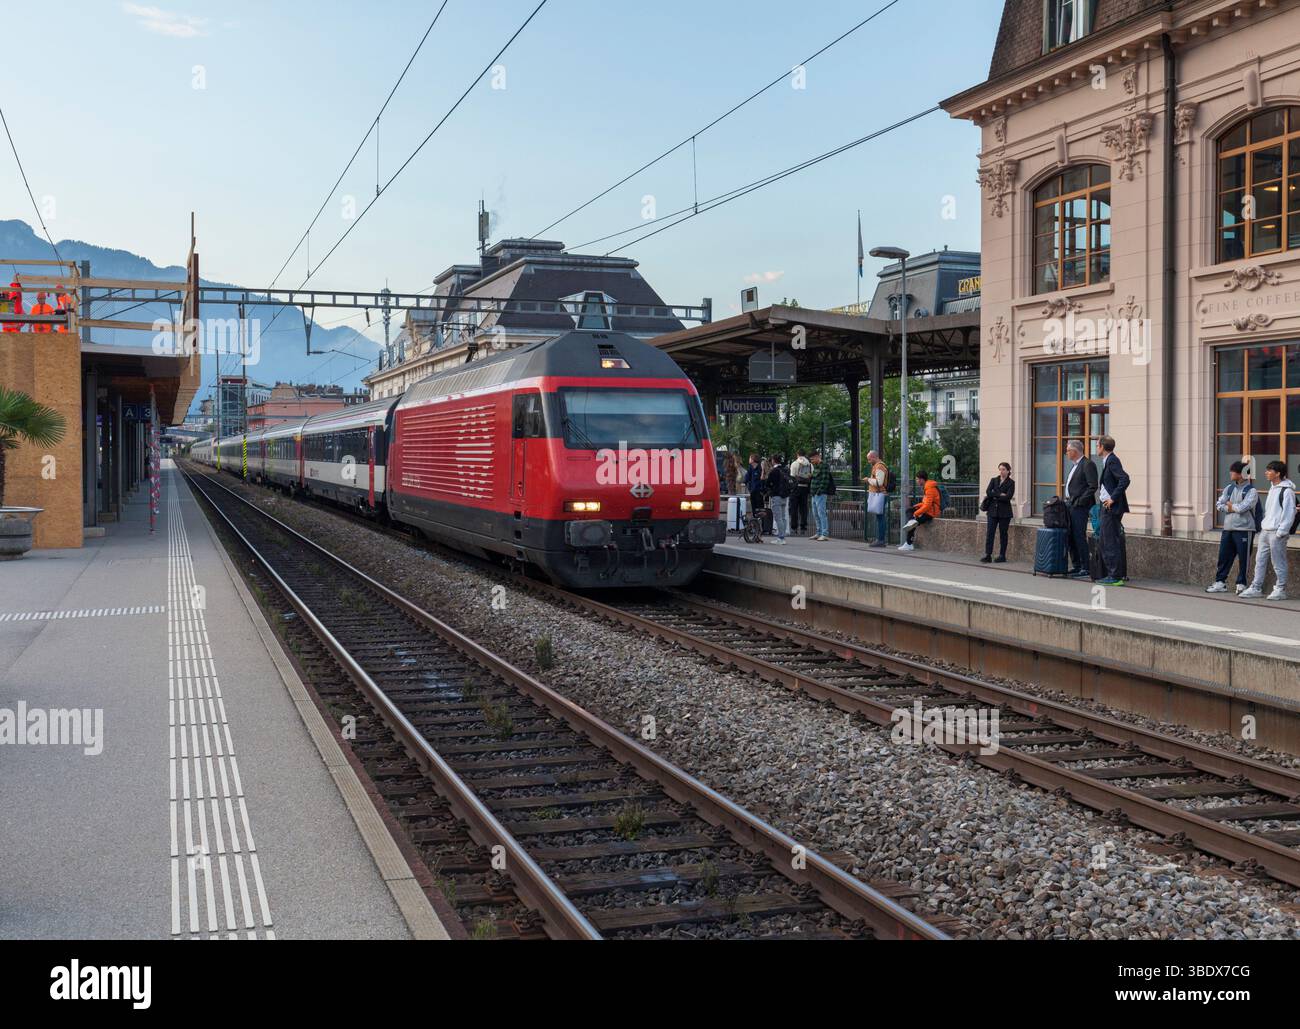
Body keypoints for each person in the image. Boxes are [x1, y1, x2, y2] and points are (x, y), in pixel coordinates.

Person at [1239, 460, 1296, 600]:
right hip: (1266, 531)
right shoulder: (1272, 488)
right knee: (1260, 560)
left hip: (1276, 532)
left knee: (1278, 562)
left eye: (1269, 470)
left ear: (1278, 473)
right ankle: (1256, 587)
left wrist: (1281, 532)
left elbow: (1289, 513)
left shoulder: (1287, 491)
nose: (1266, 473)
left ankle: (1280, 589)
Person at [1207, 461, 1259, 595]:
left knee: (1244, 558)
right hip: (1228, 528)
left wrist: (1231, 506)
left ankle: (1241, 583)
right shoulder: (1229, 488)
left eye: (1233, 471)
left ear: (1241, 474)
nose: (1230, 474)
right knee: (1224, 556)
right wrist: (1230, 507)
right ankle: (1220, 582)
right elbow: (1219, 504)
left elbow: (1244, 508)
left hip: (1245, 529)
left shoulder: (1251, 491)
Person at [1095, 436, 1131, 586]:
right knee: (1108, 540)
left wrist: (1112, 499)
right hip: (1108, 506)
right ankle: (1116, 574)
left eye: (1097, 445)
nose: (1096, 448)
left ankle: (1114, 576)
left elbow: (1125, 479)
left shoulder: (1112, 460)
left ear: (1103, 447)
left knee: (1109, 541)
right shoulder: (1108, 461)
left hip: (1111, 507)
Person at [1063, 439, 1099, 578]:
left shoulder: (1087, 464)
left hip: (1080, 507)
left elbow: (1092, 486)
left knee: (1079, 535)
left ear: (1074, 451)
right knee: (1071, 536)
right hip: (1070, 505)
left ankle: (1086, 567)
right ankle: (1077, 565)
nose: (1066, 452)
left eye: (1067, 450)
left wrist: (1079, 501)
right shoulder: (1074, 465)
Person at [980, 462, 1015, 563]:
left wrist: (995, 495)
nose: (1001, 471)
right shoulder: (994, 480)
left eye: (1003, 469)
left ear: (1008, 471)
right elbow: (988, 492)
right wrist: (1000, 494)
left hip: (1005, 512)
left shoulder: (1011, 483)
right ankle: (988, 555)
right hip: (992, 511)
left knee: (1003, 534)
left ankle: (1002, 555)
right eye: (1000, 469)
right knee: (990, 533)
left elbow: (1008, 496)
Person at [899, 471, 940, 551]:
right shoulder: (927, 486)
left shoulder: (929, 488)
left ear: (922, 479)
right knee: (909, 511)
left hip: (930, 513)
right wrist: (917, 506)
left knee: (913, 523)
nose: (917, 481)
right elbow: (926, 503)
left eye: (917, 479)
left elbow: (928, 505)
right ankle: (912, 521)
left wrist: (916, 513)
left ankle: (909, 544)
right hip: (929, 510)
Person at [861, 450, 890, 548]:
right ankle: (879, 539)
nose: (869, 461)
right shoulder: (877, 466)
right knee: (879, 517)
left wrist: (868, 480)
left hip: (880, 494)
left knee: (880, 518)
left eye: (869, 459)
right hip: (879, 494)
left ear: (874, 457)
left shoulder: (879, 466)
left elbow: (879, 482)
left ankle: (881, 540)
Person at [808, 450, 834, 541]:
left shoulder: (824, 466)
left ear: (817, 456)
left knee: (821, 513)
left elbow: (824, 480)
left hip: (820, 493)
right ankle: (819, 532)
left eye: (812, 459)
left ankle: (824, 533)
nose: (811, 461)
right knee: (816, 513)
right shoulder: (816, 466)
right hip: (814, 493)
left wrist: (819, 490)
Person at [766, 454, 791, 544]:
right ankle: (783, 536)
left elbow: (768, 483)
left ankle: (781, 538)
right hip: (785, 496)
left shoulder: (774, 471)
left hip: (776, 496)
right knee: (783, 517)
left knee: (778, 518)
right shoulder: (785, 470)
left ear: (773, 460)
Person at [789, 449, 812, 535]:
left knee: (794, 508)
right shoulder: (809, 464)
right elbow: (811, 476)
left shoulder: (794, 464)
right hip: (805, 488)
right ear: (805, 454)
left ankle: (794, 527)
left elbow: (792, 476)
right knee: (804, 509)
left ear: (797, 454)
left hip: (796, 488)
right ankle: (803, 527)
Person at [744, 453, 765, 519]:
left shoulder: (760, 468)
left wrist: (762, 489)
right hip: (753, 491)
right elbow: (746, 478)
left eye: (750, 458)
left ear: (753, 459)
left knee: (760, 508)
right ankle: (755, 523)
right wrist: (749, 487)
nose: (749, 459)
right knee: (754, 508)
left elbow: (763, 479)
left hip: (759, 492)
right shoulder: (750, 467)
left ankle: (762, 523)